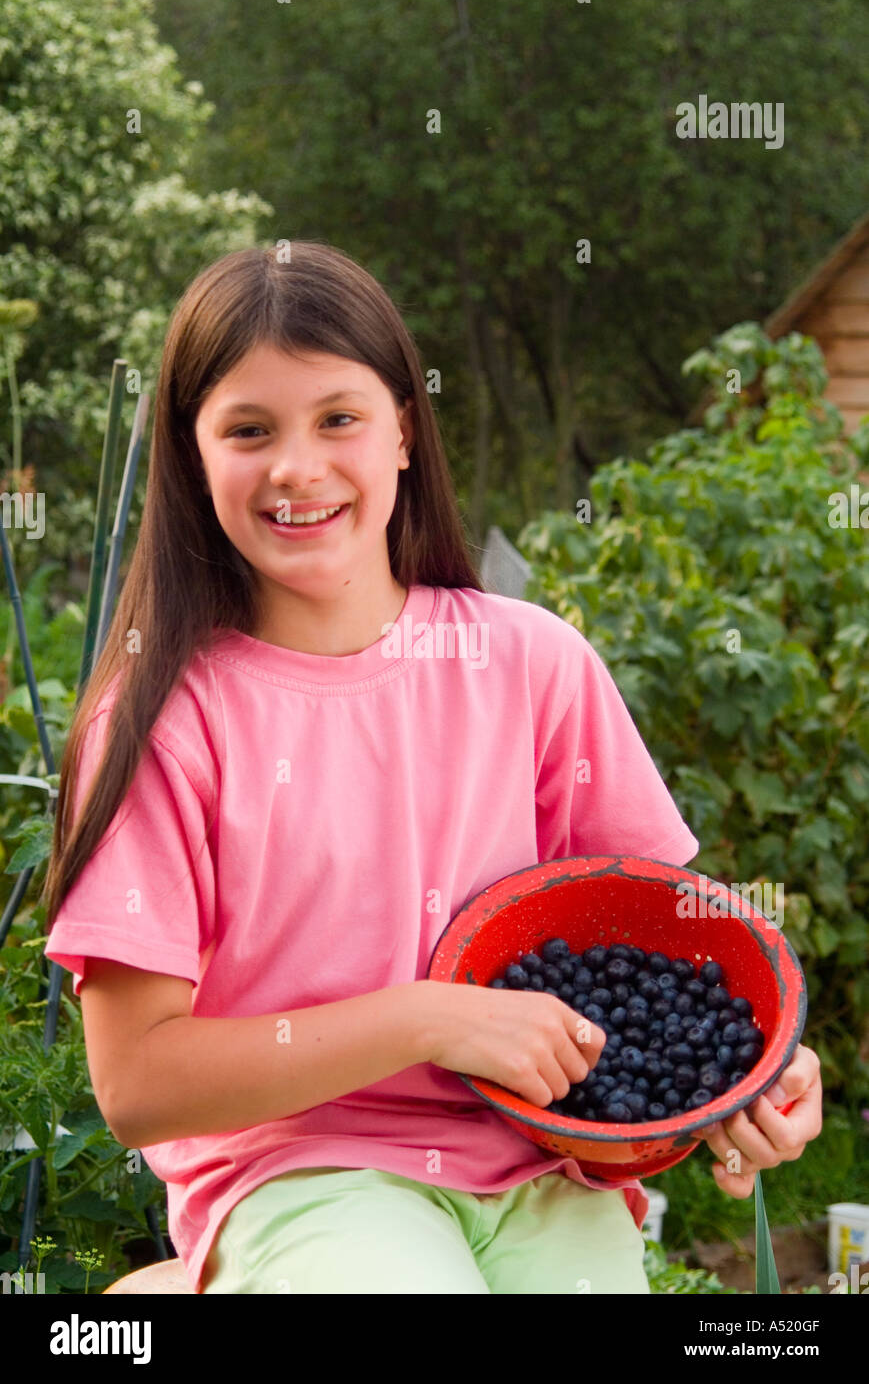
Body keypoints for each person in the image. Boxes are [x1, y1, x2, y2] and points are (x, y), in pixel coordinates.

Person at [42, 241, 822, 1295]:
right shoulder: (162, 722)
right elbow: (135, 1081)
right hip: (304, 1167)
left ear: (404, 429)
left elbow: (667, 943)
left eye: (338, 418)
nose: (296, 466)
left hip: (543, 1165)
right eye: (247, 430)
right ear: (191, 456)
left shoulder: (529, 662)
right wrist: (428, 1018)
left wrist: (752, 1072)